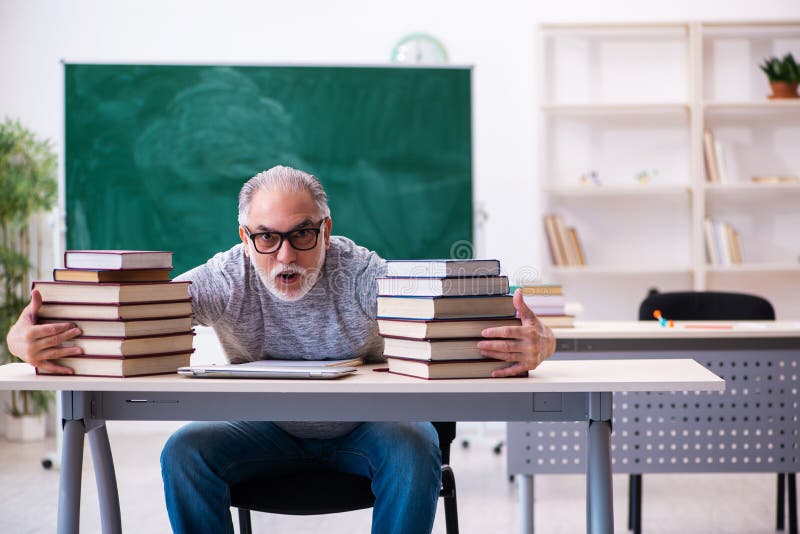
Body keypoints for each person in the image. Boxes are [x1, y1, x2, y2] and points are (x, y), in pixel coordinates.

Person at [6, 165, 556, 534]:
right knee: (184, 451)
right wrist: (19, 339)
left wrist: (541, 341)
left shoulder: (361, 273)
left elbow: (461, 312)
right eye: (266, 237)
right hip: (263, 433)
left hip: (367, 431)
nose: (285, 255)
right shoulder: (228, 277)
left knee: (416, 442)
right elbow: (131, 313)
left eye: (302, 235)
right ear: (245, 237)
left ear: (326, 230)